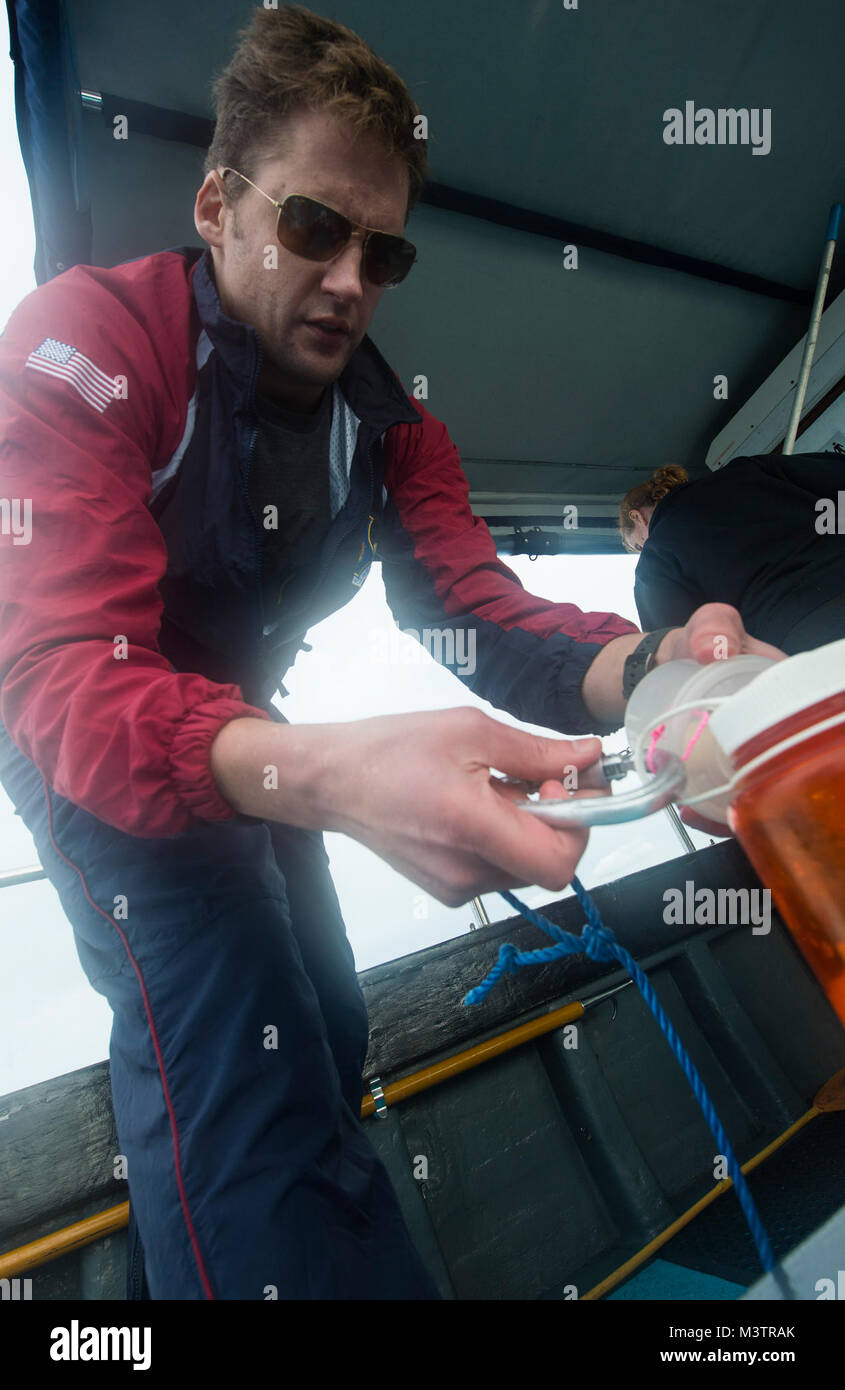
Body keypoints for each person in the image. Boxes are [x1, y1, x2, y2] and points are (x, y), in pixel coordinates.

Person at [0, 6, 779, 1300]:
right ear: (216, 207)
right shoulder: (84, 346)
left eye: (385, 250)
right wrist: (330, 770)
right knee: (231, 1022)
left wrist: (663, 665)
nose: (353, 280)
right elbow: (61, 670)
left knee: (326, 1015)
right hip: (93, 721)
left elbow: (482, 612)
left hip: (258, 729)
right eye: (314, 227)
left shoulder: (394, 425)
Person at [620, 455, 845, 653]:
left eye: (638, 545)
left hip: (809, 636)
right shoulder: (748, 469)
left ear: (637, 517)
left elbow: (681, 652)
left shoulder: (655, 560)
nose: (643, 550)